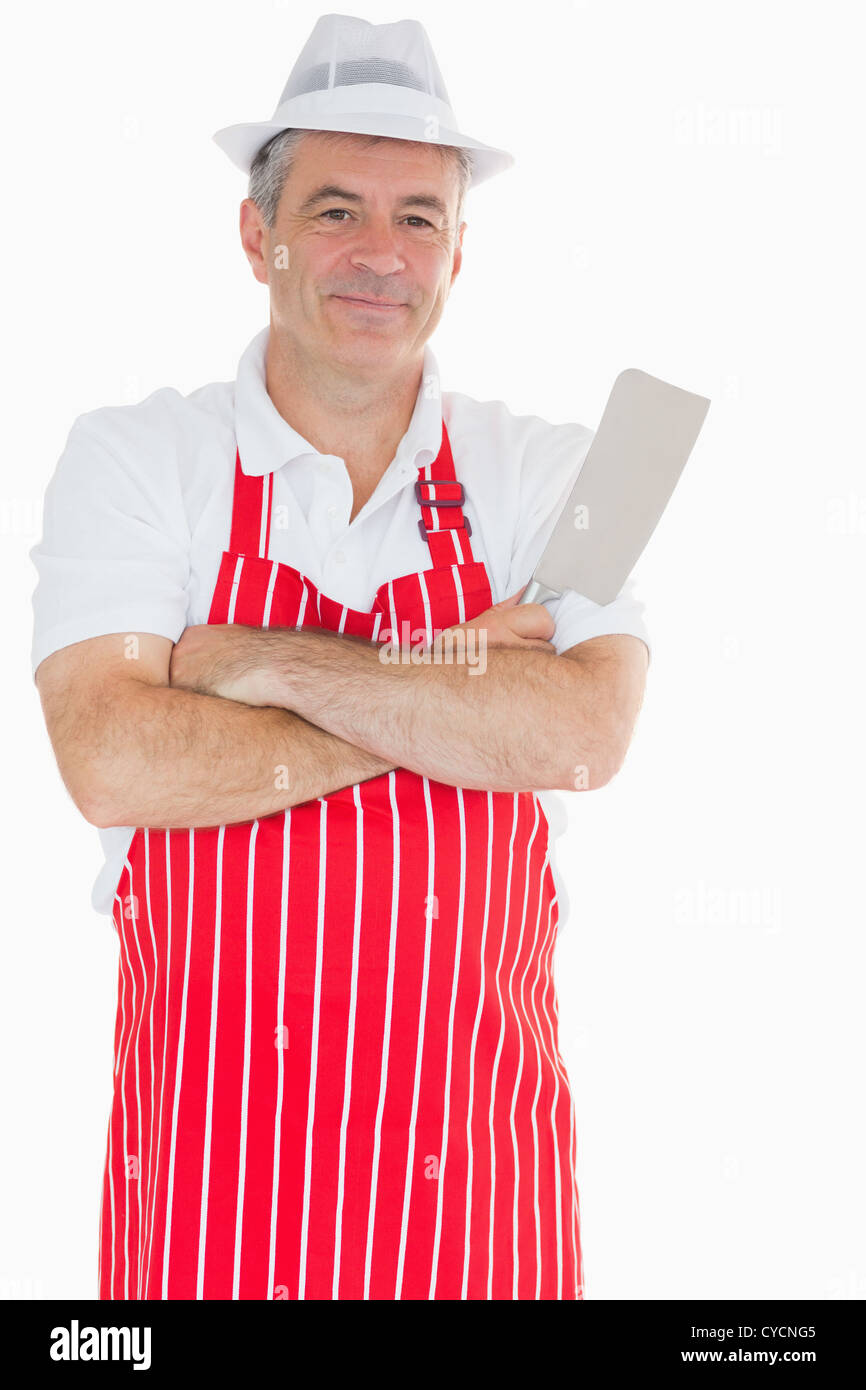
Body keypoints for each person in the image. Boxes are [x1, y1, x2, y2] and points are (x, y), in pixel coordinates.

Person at [30, 13, 650, 1300]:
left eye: (419, 217)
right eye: (333, 210)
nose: (381, 255)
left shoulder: (593, 460)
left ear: (462, 253)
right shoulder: (127, 454)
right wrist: (464, 678)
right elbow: (108, 759)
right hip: (212, 1205)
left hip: (485, 1206)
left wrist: (258, 661)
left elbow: (585, 737)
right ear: (255, 237)